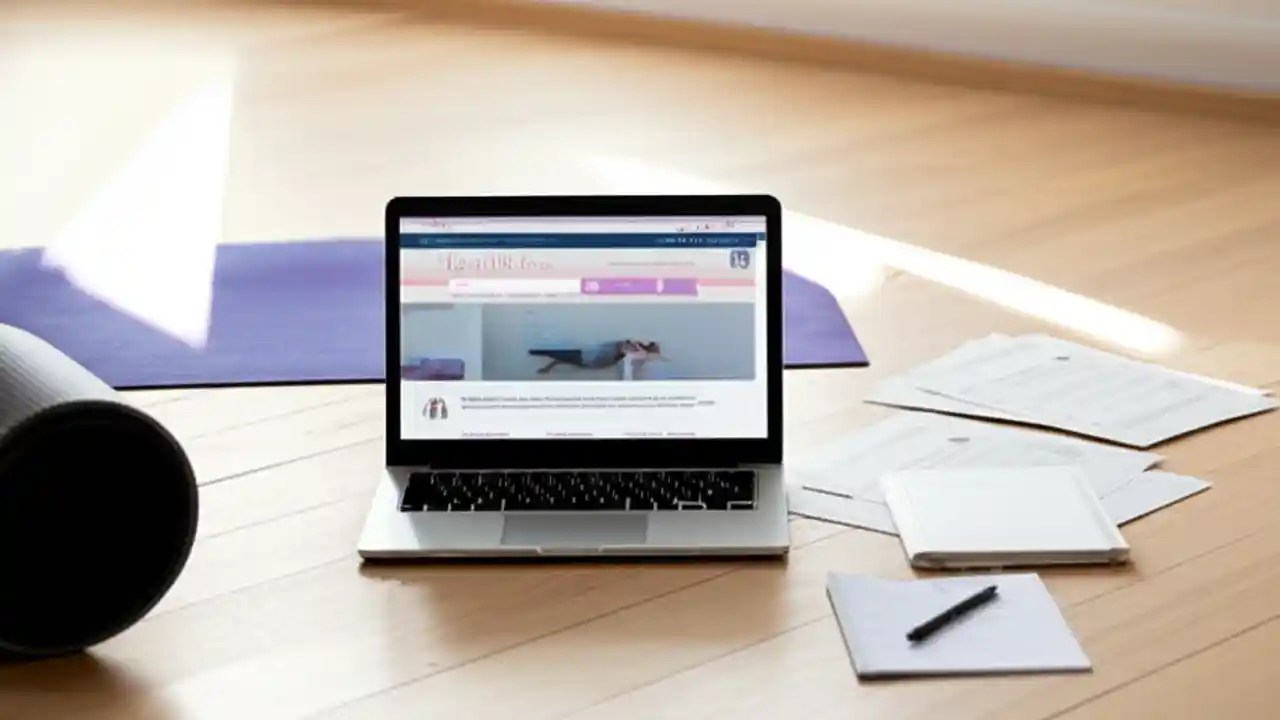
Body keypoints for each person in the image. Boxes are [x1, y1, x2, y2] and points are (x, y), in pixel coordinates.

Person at [529, 340, 662, 374]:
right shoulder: (630, 347)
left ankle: (537, 353)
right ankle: (537, 353)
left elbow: (626, 353)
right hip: (588, 356)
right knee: (560, 356)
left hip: (589, 358)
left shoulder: (633, 351)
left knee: (560, 357)